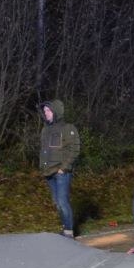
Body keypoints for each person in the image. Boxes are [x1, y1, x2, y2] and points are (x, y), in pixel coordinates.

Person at [39, 99, 81, 237]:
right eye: (44, 111)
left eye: (48, 110)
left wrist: (64, 168)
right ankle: (65, 229)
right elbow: (44, 151)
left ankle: (69, 232)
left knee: (63, 202)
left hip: (61, 173)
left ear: (56, 111)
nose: (46, 113)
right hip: (49, 172)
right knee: (57, 203)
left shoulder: (68, 128)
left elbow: (74, 149)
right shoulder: (45, 129)